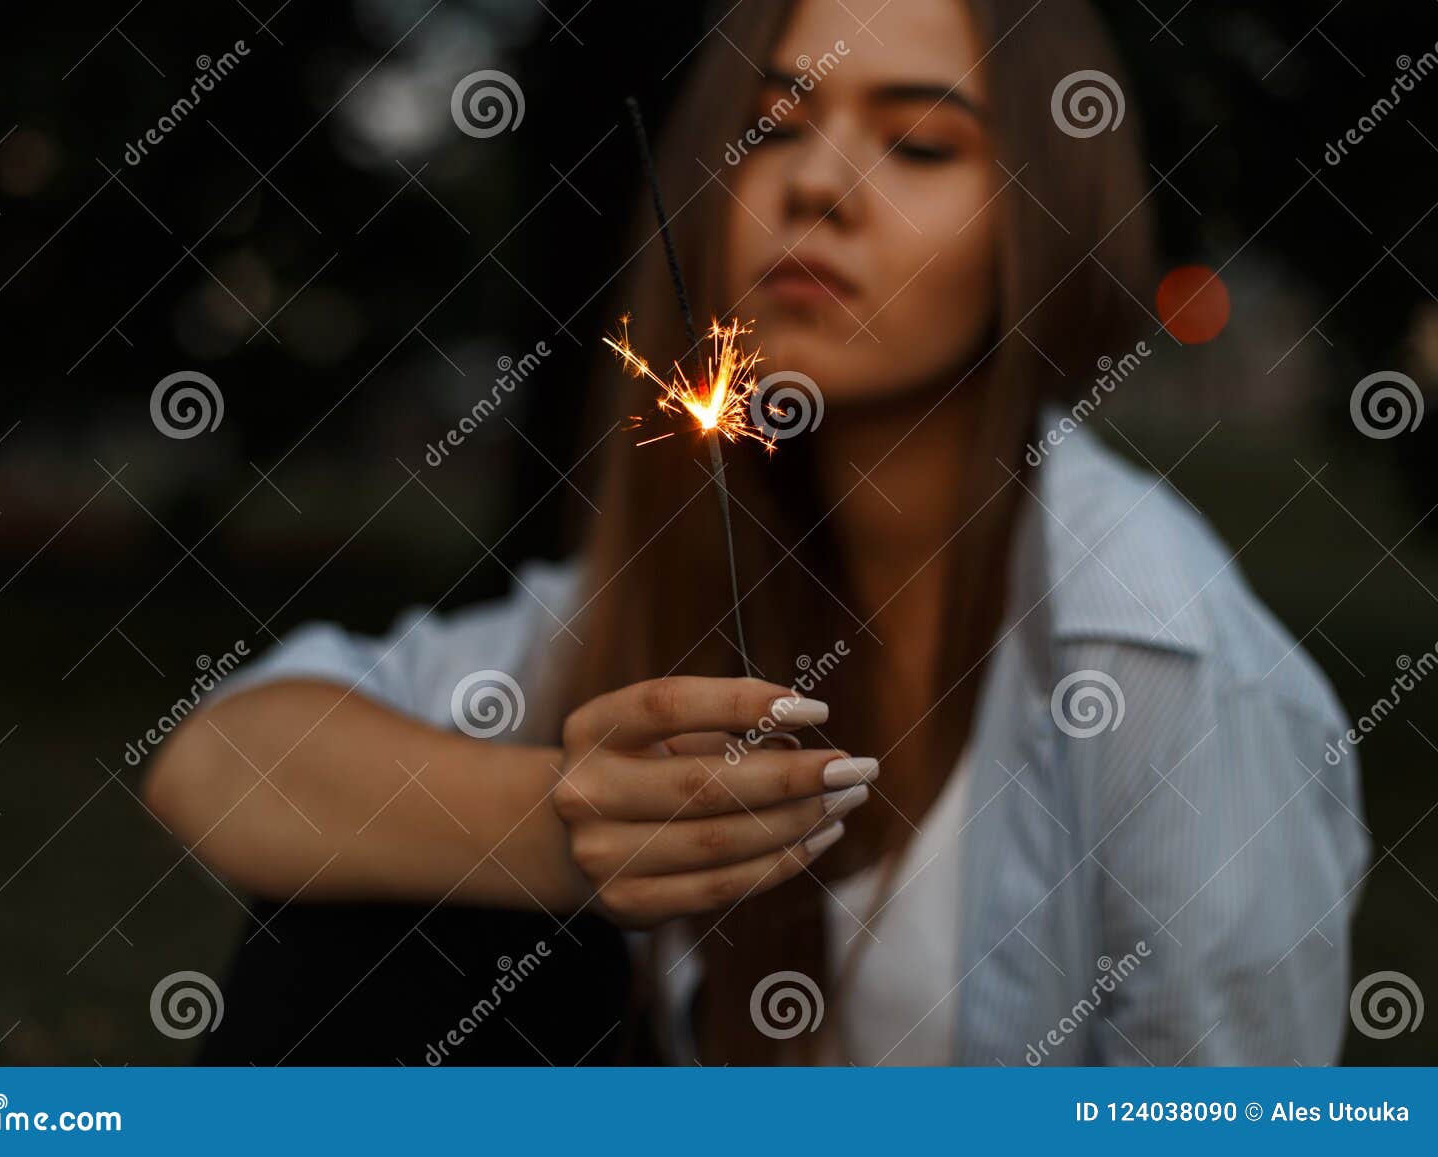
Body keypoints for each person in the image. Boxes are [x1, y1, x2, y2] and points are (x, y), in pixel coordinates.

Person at [145, 0, 1372, 1066]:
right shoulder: (697, 566)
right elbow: (219, 758)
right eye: (773, 126)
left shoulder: (1159, 665)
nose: (813, 187)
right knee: (369, 923)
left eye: (919, 141)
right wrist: (575, 828)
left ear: (1045, 213)